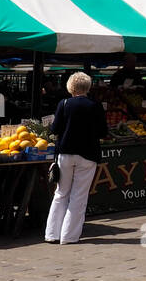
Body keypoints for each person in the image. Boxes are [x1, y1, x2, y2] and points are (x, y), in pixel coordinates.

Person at [45, 71, 108, 245]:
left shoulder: (63, 103)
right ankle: (69, 236)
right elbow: (103, 131)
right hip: (87, 154)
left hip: (65, 153)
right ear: (87, 86)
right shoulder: (95, 105)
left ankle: (52, 234)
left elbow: (55, 129)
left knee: (61, 193)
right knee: (79, 196)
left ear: (70, 86)